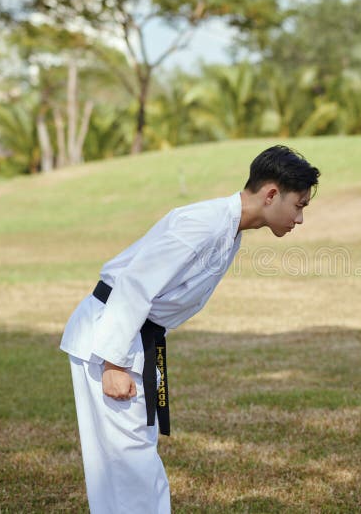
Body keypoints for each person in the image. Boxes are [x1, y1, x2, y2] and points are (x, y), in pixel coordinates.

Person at [60, 145, 320, 513]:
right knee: (131, 467)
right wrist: (113, 364)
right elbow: (136, 283)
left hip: (132, 337)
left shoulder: (229, 229)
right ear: (272, 194)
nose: (300, 219)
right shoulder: (204, 223)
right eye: (299, 205)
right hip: (110, 338)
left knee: (126, 466)